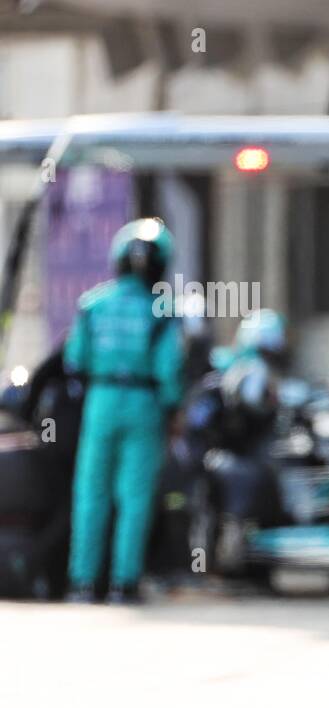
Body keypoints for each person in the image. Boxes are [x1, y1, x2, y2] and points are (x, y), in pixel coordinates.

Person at [64, 218, 183, 603]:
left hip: (100, 402)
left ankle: (82, 583)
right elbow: (169, 372)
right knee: (135, 496)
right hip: (144, 405)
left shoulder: (93, 304)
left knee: (91, 492)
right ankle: (123, 583)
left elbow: (74, 359)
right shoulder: (162, 310)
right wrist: (172, 410)